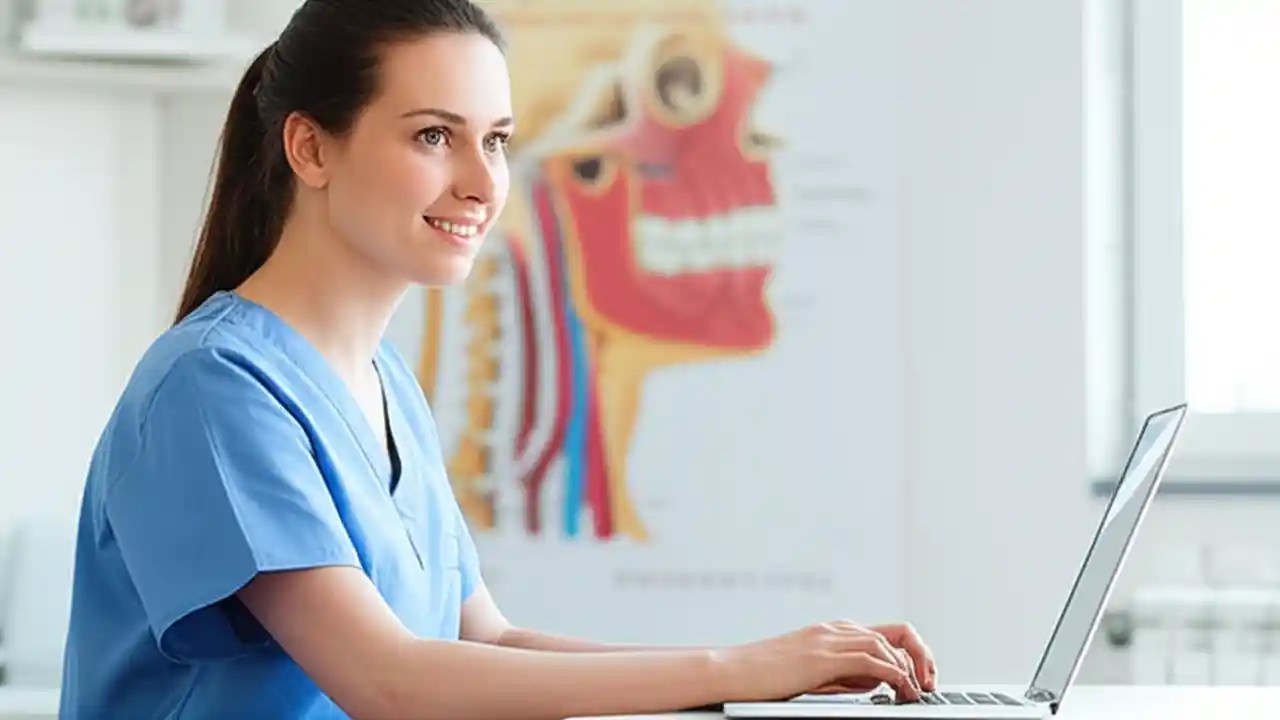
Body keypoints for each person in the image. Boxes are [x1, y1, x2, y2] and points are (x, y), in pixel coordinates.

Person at [58, 1, 939, 717]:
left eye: (499, 139)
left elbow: (486, 642)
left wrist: (762, 676)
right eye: (435, 136)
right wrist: (732, 669)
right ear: (310, 147)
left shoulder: (385, 386)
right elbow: (391, 681)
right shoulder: (213, 390)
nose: (483, 183)